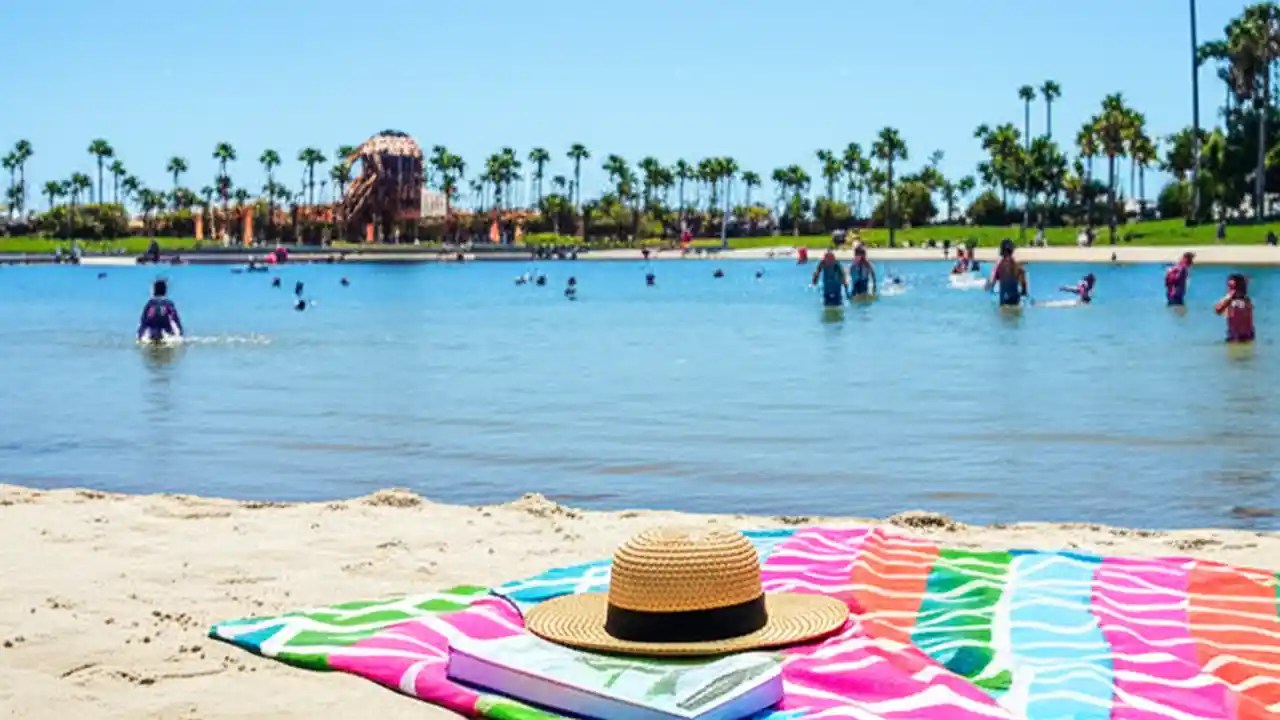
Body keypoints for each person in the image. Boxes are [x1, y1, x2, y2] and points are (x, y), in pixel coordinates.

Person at [985, 239, 1028, 306]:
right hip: (1015, 301)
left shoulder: (999, 266)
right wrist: (1024, 292)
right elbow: (1024, 287)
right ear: (1012, 250)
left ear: (1002, 250)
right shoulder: (1018, 267)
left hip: (1004, 302)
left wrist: (988, 283)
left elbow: (987, 287)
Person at [1215, 274, 1255, 343]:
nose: (1229, 289)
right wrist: (1229, 297)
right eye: (1229, 286)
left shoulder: (1246, 300)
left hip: (1247, 337)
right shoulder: (1229, 300)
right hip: (1234, 338)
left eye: (1232, 287)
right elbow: (1218, 310)